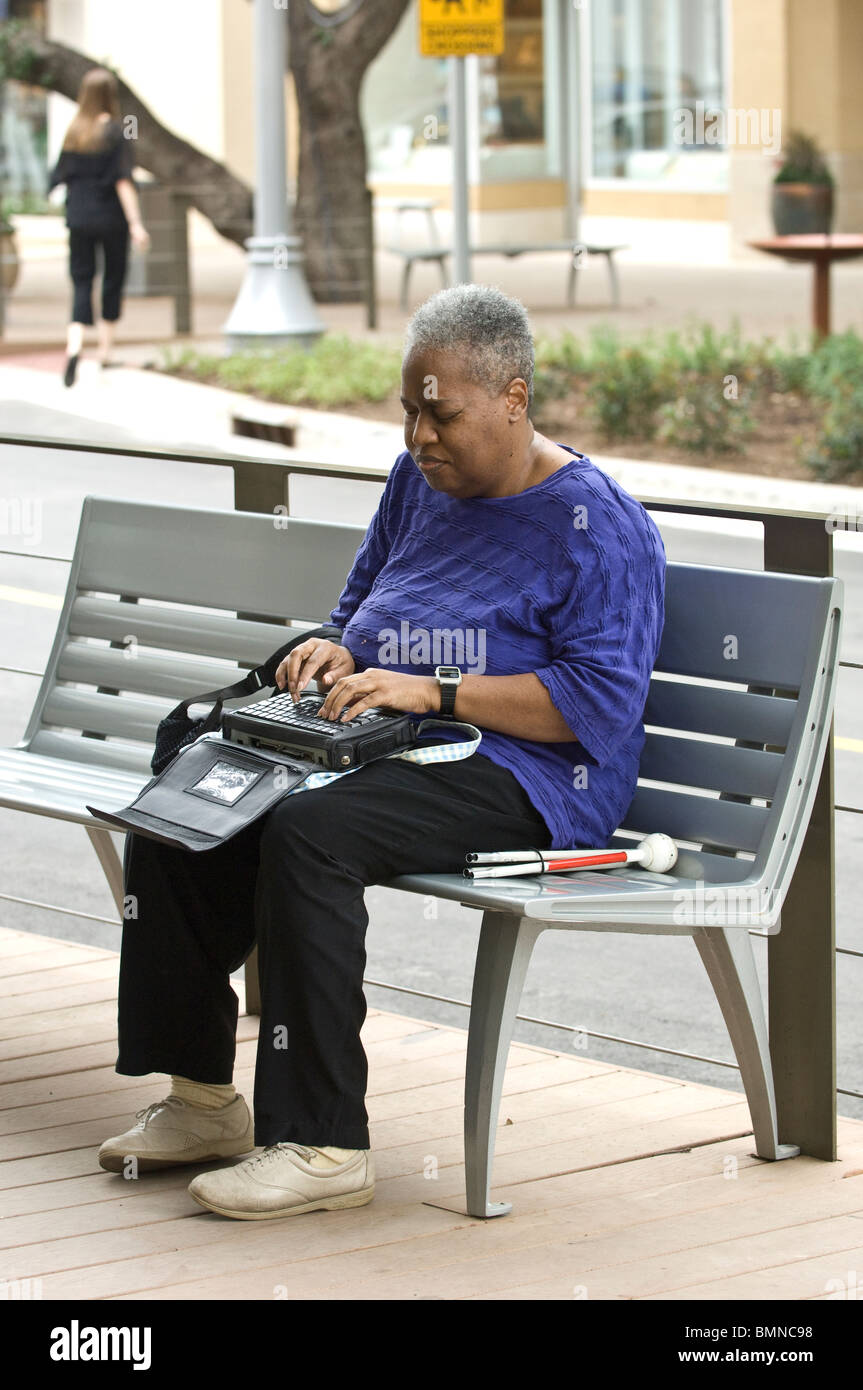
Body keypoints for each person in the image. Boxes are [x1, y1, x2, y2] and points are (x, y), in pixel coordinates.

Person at [98, 284, 666, 1221]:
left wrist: (430, 690)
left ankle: (324, 1143)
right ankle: (202, 1100)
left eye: (440, 414)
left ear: (513, 399)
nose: (418, 438)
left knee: (314, 834)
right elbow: (365, 600)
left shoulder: (598, 528)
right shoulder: (420, 482)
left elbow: (595, 706)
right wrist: (336, 647)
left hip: (526, 772)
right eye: (408, 411)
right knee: (190, 763)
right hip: (383, 733)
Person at [46, 67, 150, 386]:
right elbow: (123, 181)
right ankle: (104, 351)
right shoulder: (116, 133)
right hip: (110, 218)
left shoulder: (74, 132)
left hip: (78, 217)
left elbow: (56, 177)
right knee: (112, 279)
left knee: (81, 280)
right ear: (110, 95)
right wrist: (136, 223)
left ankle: (74, 346)